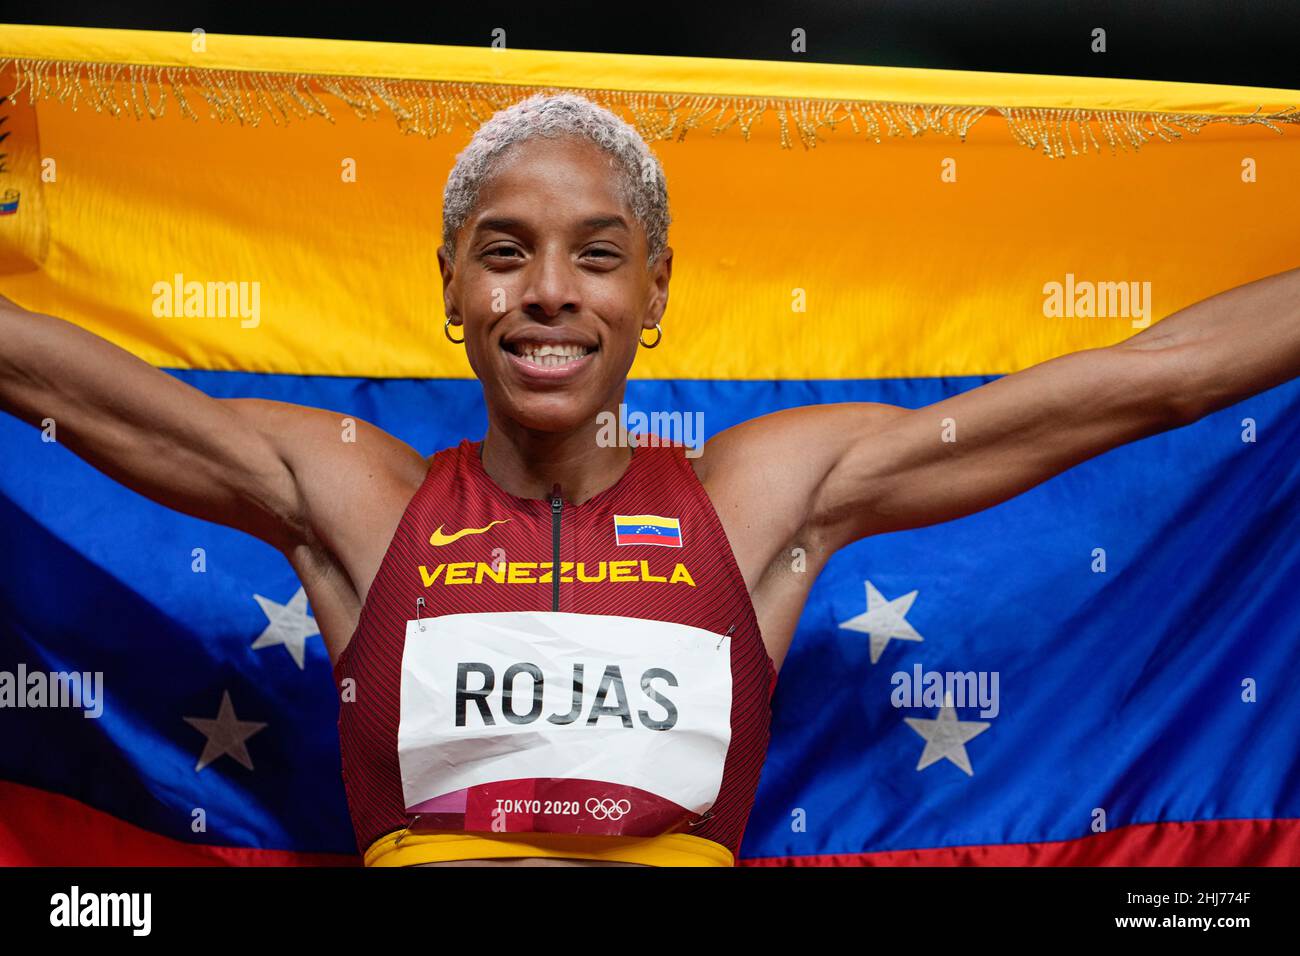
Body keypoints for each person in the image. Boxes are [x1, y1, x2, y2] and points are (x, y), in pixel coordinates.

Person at [1, 92, 1297, 867]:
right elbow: (74, 392)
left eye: (597, 255)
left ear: (654, 293)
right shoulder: (360, 499)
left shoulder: (760, 498)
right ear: (450, 285)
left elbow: (1150, 382)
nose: (549, 292)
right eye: (504, 253)